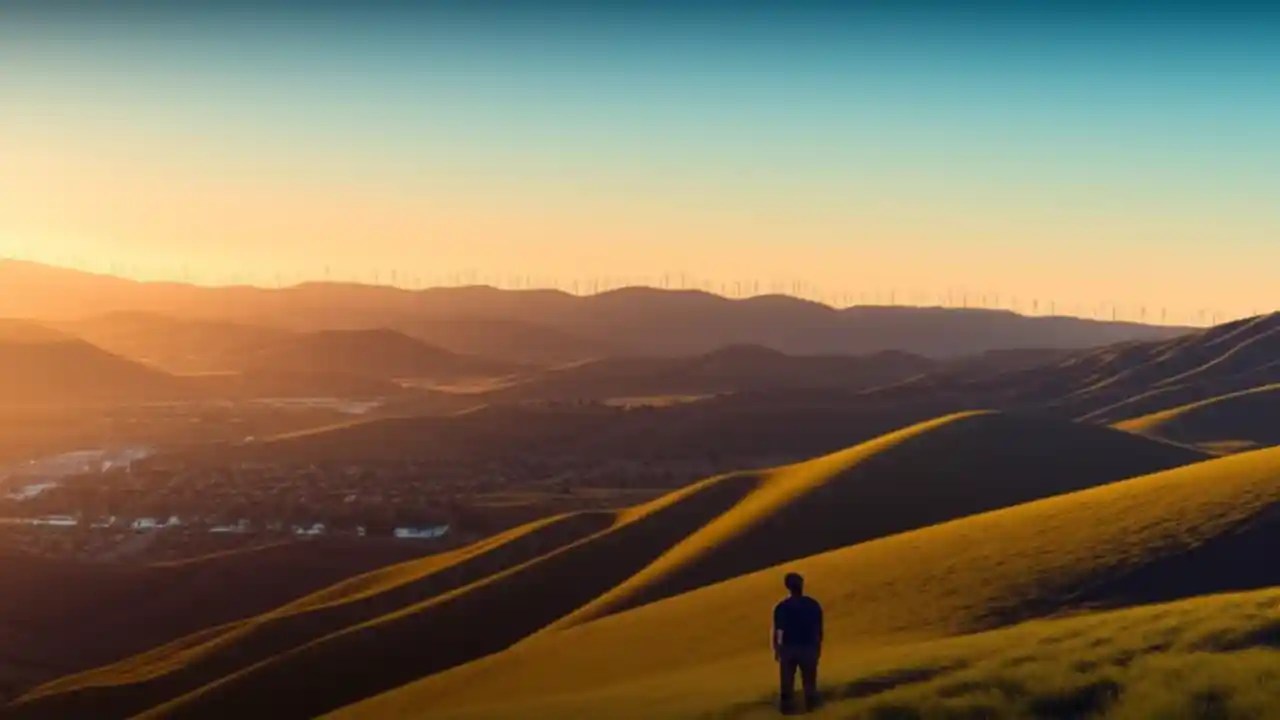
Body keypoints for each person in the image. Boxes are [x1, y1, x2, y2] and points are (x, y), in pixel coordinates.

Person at [772, 572, 823, 714]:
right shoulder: (812, 604)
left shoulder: (782, 607)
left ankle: (789, 711)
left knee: (787, 686)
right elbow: (818, 628)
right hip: (806, 648)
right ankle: (812, 711)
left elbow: (777, 631)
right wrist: (817, 647)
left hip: (790, 649)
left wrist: (777, 649)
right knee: (809, 684)